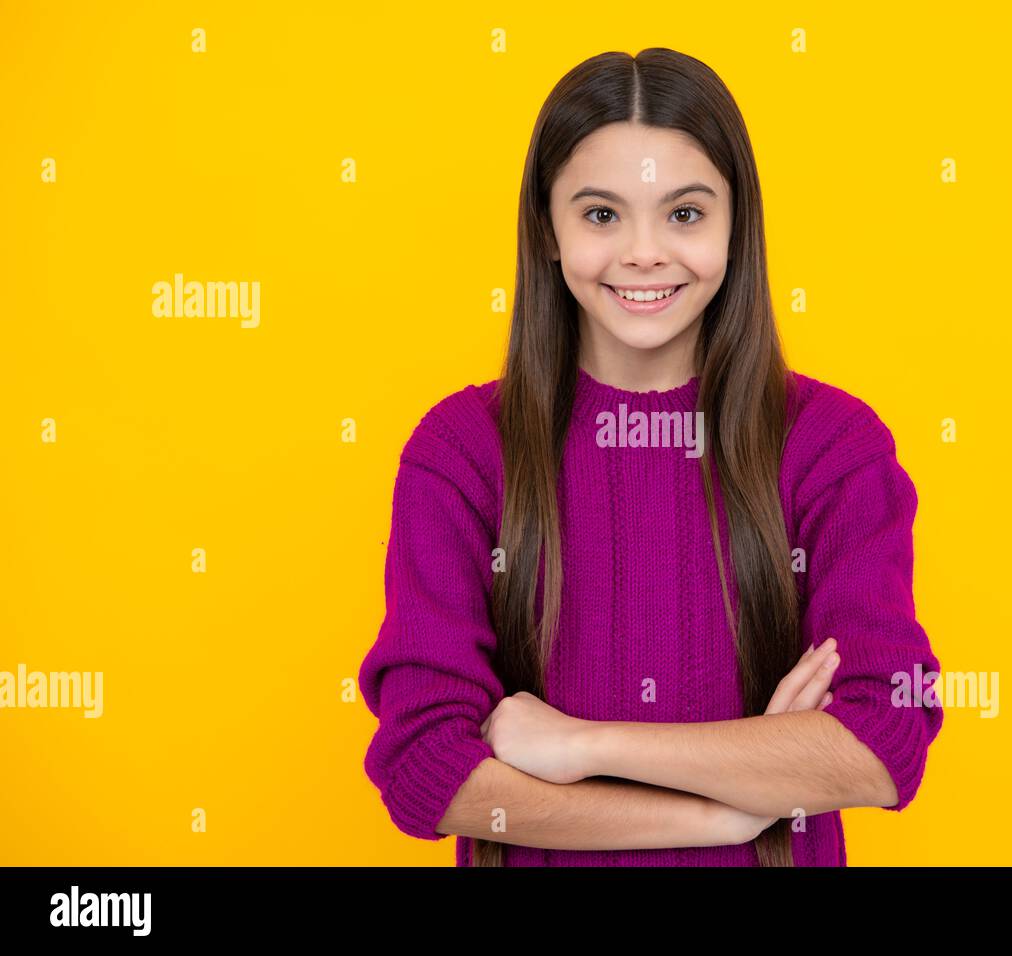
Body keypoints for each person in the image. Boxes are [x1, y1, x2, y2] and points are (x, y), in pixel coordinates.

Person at [358, 47, 943, 866]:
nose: (643, 253)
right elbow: (429, 772)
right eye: (601, 215)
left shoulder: (831, 445)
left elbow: (883, 743)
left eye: (685, 213)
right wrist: (724, 811)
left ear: (737, 227)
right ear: (546, 231)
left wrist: (582, 746)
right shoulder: (461, 453)